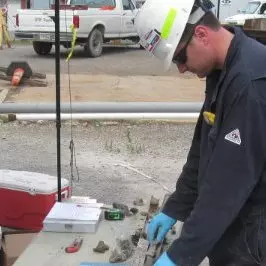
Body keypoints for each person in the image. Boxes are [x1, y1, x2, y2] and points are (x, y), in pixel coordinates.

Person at [135, 0, 266, 265]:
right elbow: (202, 149)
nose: (181, 68)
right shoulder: (223, 69)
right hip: (235, 225)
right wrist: (175, 206)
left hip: (254, 236)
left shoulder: (249, 84)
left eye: (180, 57)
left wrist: (179, 256)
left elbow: (226, 186)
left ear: (202, 34)